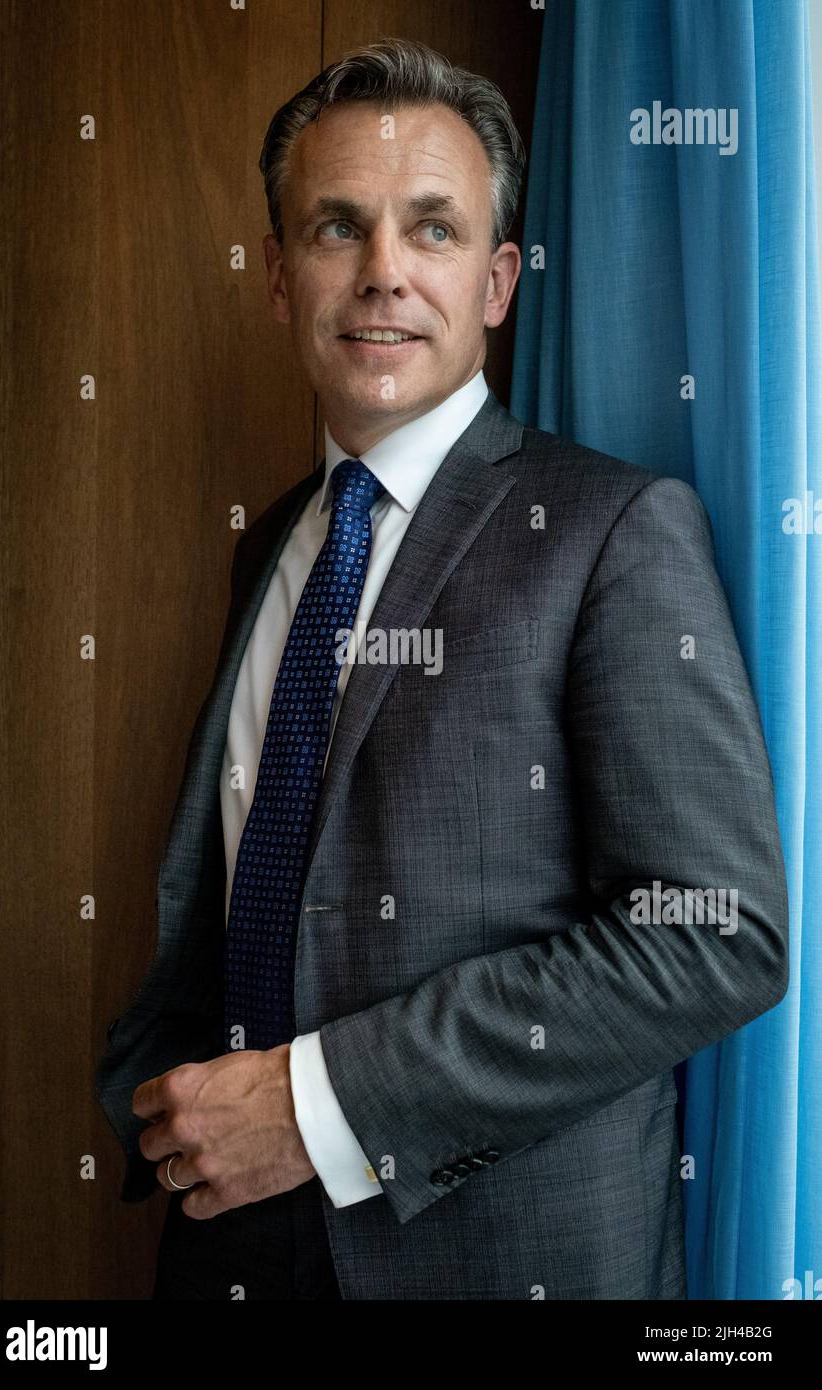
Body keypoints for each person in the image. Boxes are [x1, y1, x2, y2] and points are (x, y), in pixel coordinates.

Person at [95, 36, 789, 1301]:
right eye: (335, 228)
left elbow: (717, 935)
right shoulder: (267, 549)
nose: (381, 276)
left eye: (431, 231)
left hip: (495, 1256)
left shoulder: (612, 533)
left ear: (497, 283)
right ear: (274, 276)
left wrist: (316, 1104)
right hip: (231, 1242)